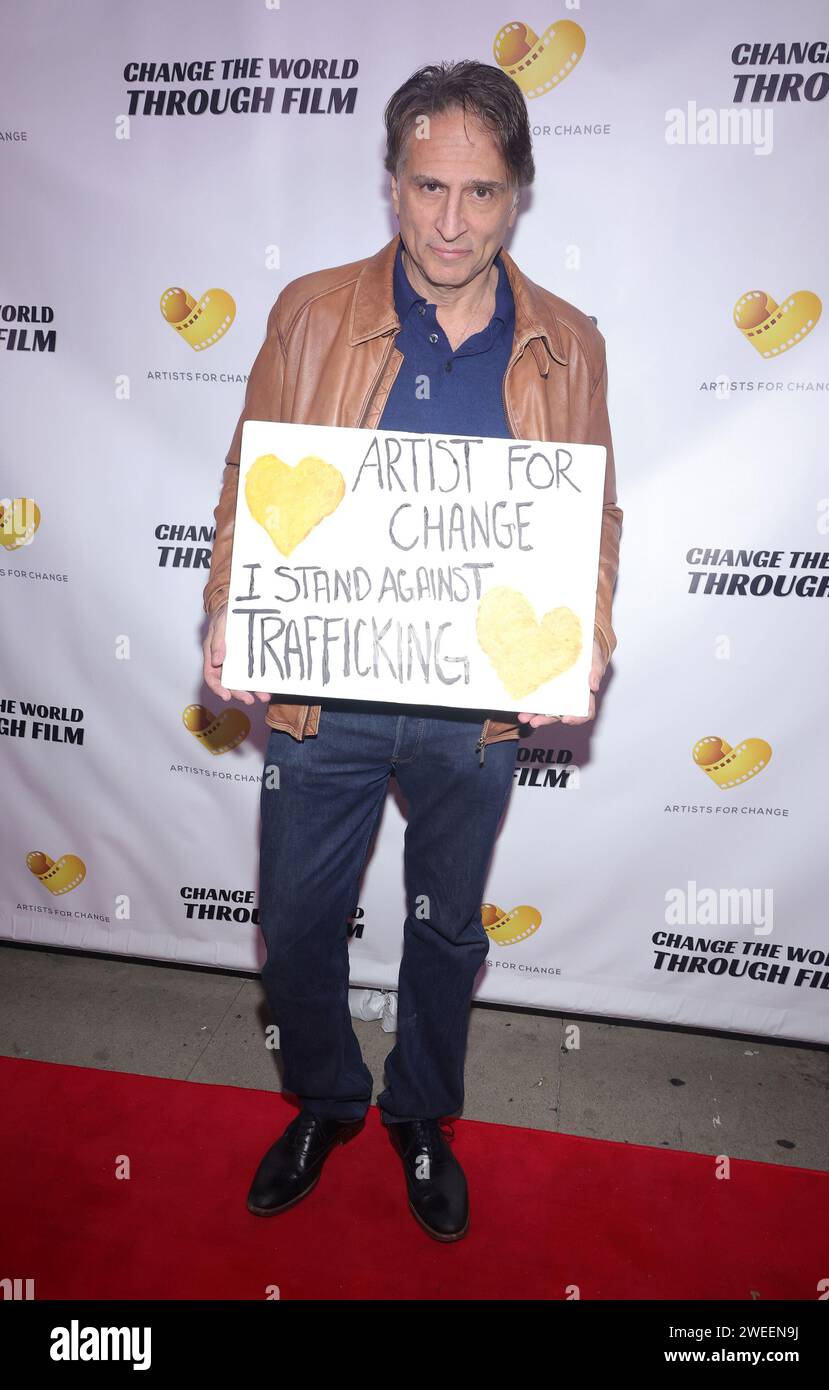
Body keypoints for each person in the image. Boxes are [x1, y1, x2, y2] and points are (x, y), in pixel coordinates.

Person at [201, 59, 623, 1242]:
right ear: (392, 186)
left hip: (475, 703)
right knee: (292, 922)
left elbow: (592, 514)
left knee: (445, 925)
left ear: (517, 195)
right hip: (325, 692)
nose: (451, 221)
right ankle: (328, 1099)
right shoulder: (310, 312)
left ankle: (421, 1112)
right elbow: (252, 475)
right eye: (428, 187)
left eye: (481, 193)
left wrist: (584, 632)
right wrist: (231, 605)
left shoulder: (571, 344)